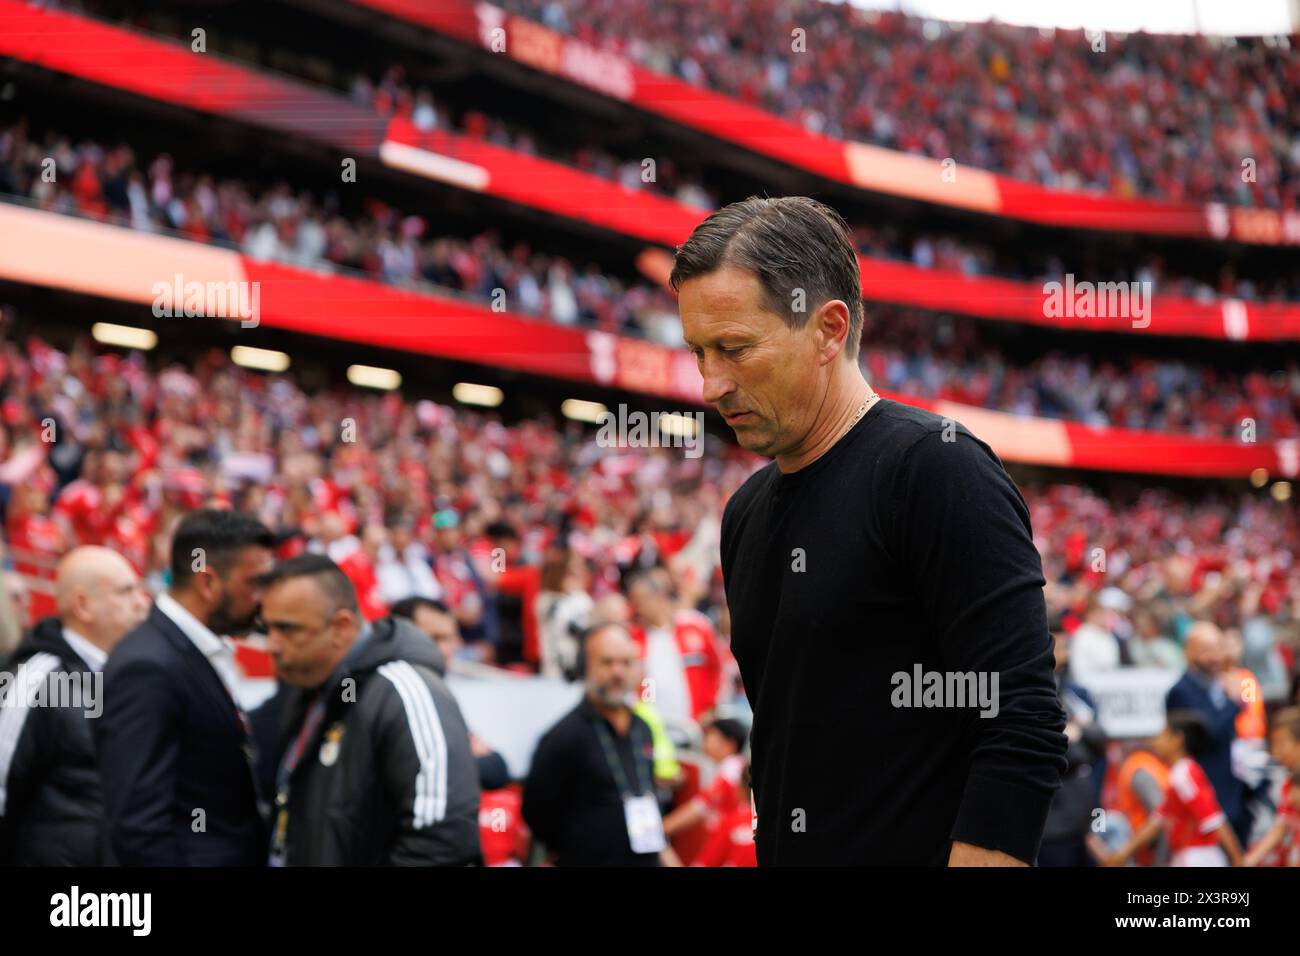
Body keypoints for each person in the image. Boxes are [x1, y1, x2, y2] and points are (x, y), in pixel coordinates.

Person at [673, 195, 1067, 865]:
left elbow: (1020, 723)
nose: (711, 384)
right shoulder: (745, 513)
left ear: (828, 330)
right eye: (700, 352)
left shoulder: (935, 468)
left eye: (734, 349)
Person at [256, 554, 482, 865]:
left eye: (288, 629)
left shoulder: (405, 690)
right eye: (268, 628)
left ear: (341, 627)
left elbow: (443, 841)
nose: (272, 645)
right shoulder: (313, 690)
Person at [94, 509, 274, 866]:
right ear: (208, 583)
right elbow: (138, 825)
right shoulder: (146, 667)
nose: (262, 599)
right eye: (255, 583)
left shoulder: (194, 650)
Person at [0, 547, 149, 864]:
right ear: (83, 605)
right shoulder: (37, 679)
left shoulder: (131, 677)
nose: (141, 603)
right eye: (126, 591)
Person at [522, 624, 673, 866]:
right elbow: (536, 811)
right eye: (607, 662)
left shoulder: (643, 729)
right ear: (586, 667)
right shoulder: (563, 737)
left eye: (626, 662)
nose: (618, 672)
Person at [1102, 710, 1244, 867]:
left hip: (1198, 858)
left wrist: (1238, 859)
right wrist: (1122, 855)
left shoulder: (1184, 774)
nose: (1155, 742)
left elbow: (1214, 819)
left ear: (1177, 739)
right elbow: (1157, 821)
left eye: (1162, 735)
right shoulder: (1178, 774)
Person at [1165, 621, 1249, 843]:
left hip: (1230, 785)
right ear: (1188, 652)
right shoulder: (1181, 691)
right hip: (1205, 791)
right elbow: (1207, 734)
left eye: (1218, 648)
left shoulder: (1219, 683)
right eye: (1206, 650)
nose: (1214, 656)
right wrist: (1232, 703)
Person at [1243, 707, 1300, 867]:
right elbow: (1282, 825)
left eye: (1281, 744)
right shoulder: (1289, 782)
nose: (1276, 752)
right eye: (1273, 745)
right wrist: (1252, 859)